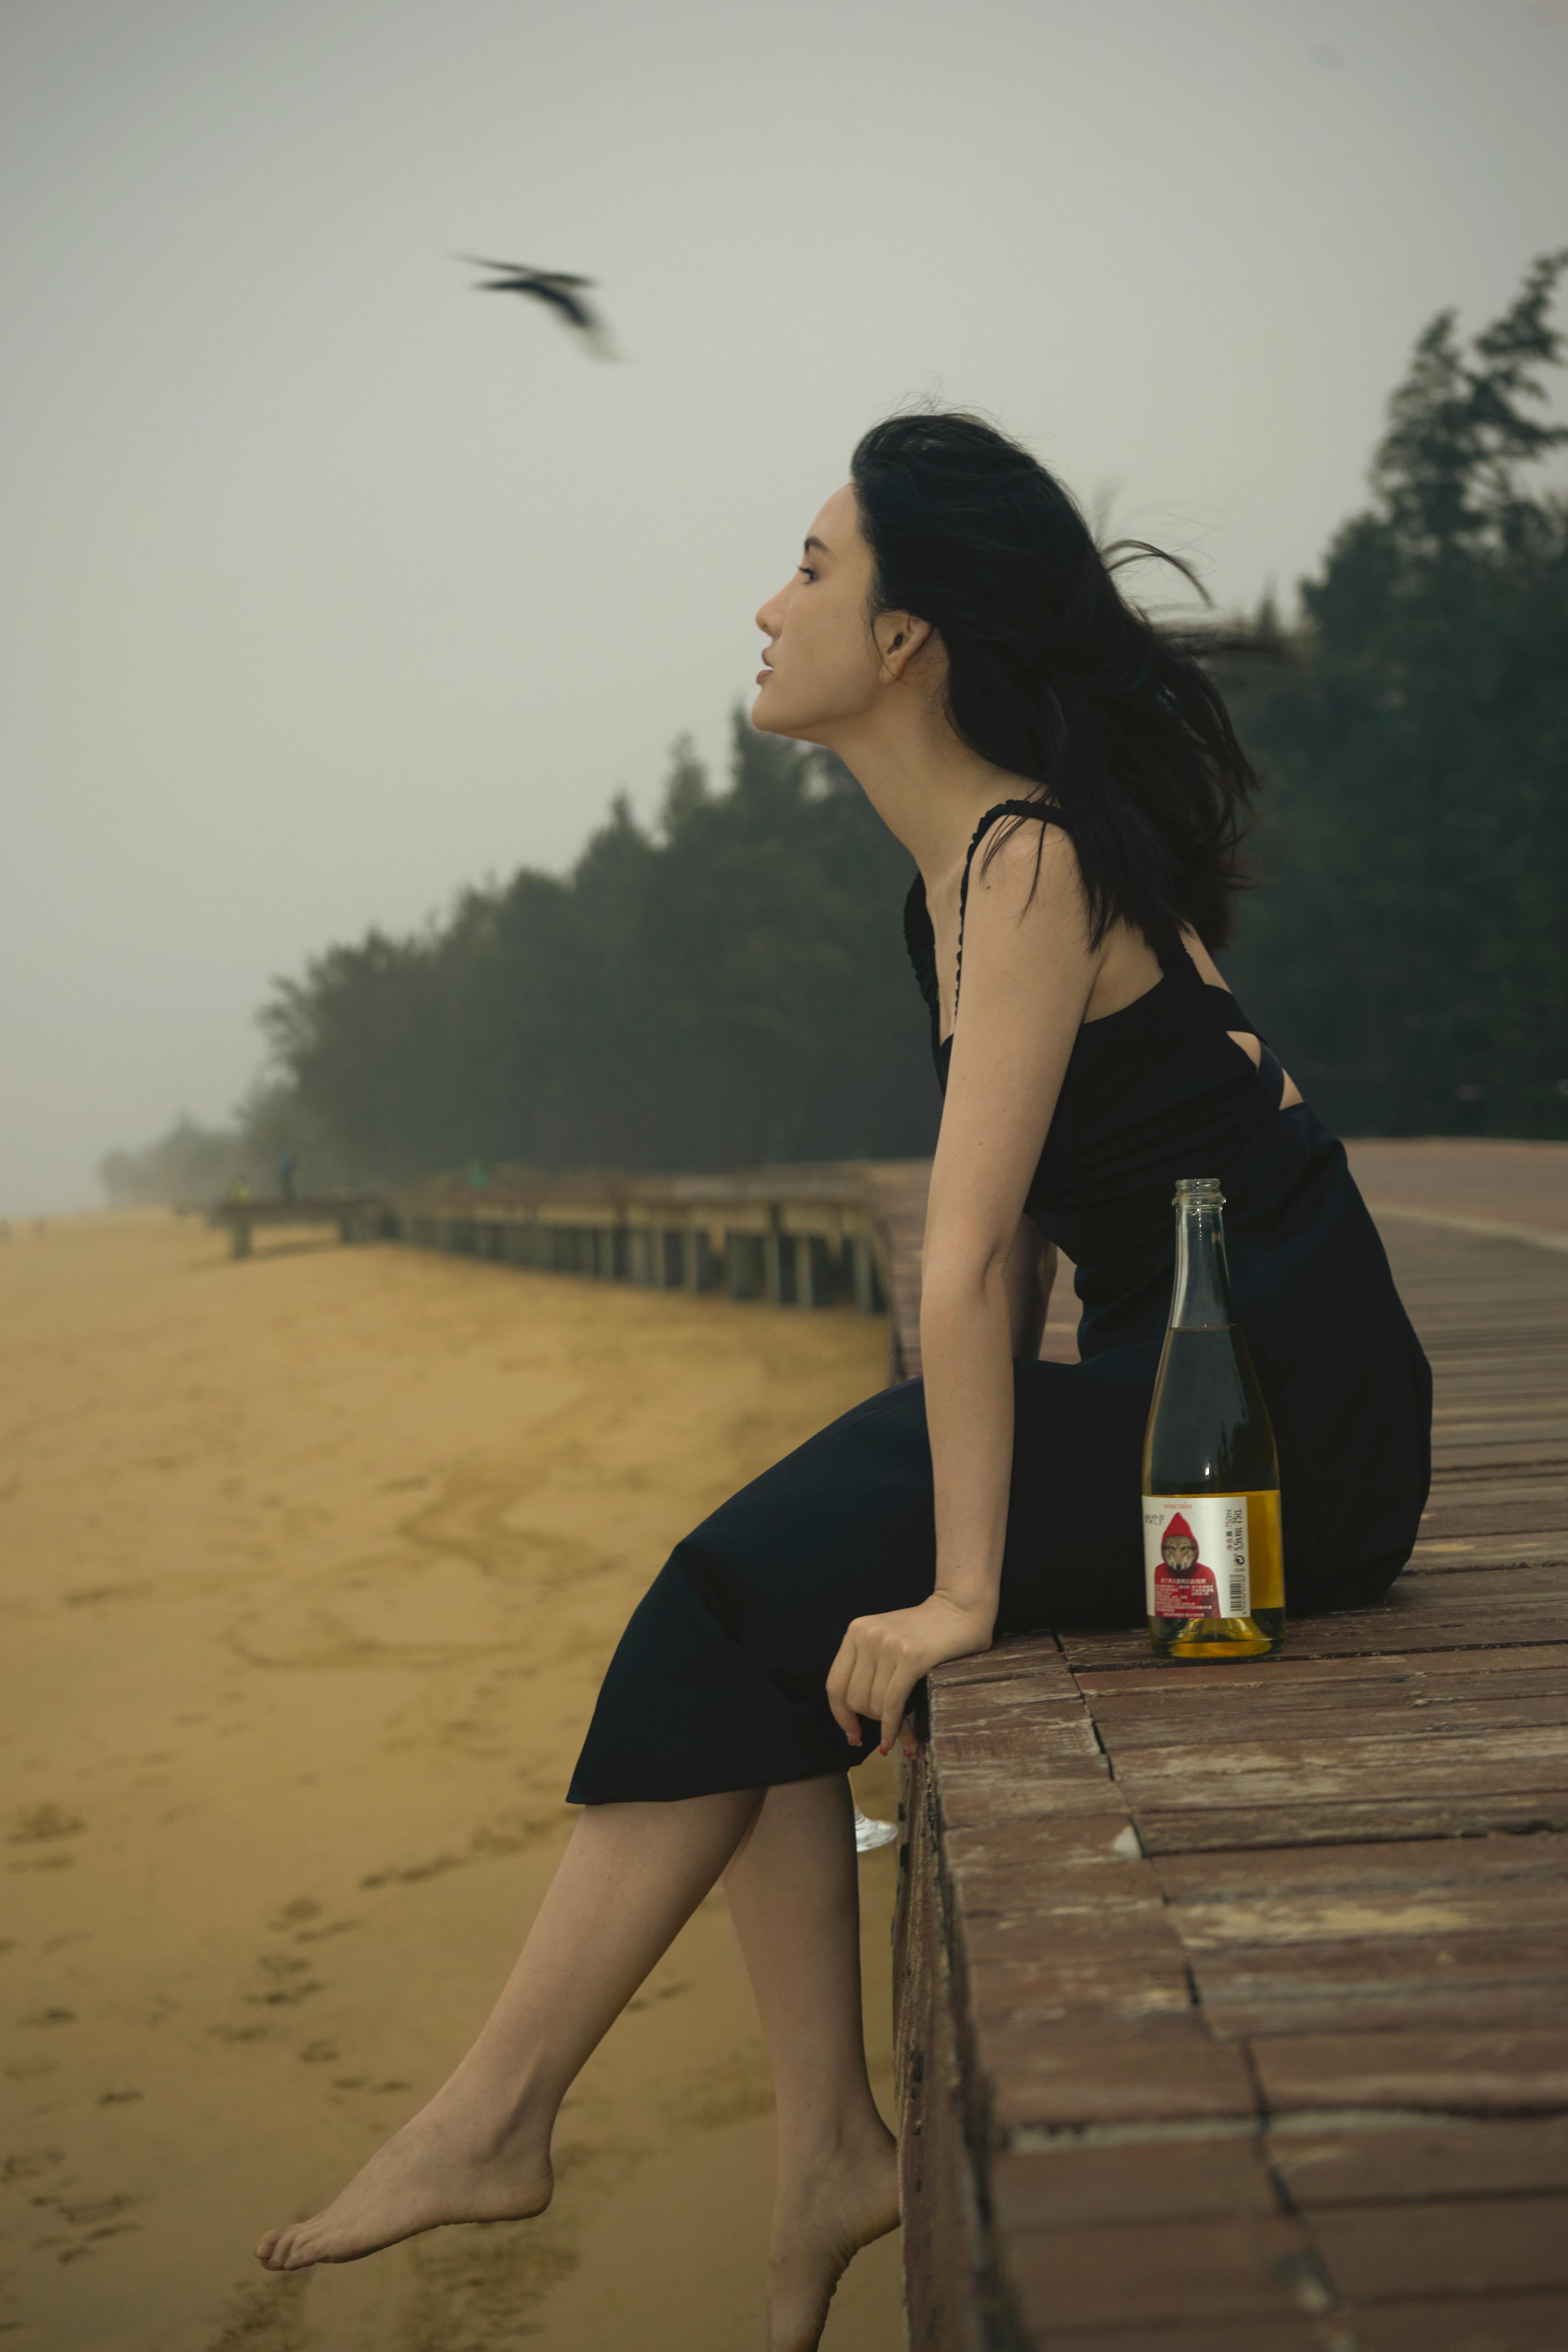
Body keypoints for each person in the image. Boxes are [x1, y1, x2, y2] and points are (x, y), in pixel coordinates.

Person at [256, 413, 1431, 2347]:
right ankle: (814, 2155)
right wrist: (965, 1507)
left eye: (809, 565)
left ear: (904, 643)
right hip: (1208, 1388)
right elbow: (1037, 1226)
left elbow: (968, 1257)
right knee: (767, 1586)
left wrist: (967, 1588)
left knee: (759, 1567)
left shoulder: (1028, 858)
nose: (766, 601)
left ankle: (501, 2115)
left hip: (1273, 1434)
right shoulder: (961, 879)